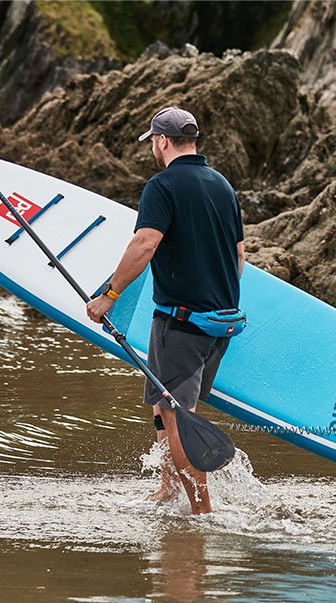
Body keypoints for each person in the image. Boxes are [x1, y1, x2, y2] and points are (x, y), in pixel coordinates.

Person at [87, 106, 245, 514]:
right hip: (218, 323)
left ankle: (202, 513)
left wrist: (109, 295)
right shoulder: (222, 186)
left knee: (176, 414)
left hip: (182, 323)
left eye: (153, 143)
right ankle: (169, 491)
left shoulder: (163, 186)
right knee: (164, 406)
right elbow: (239, 255)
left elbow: (145, 244)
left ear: (161, 141)